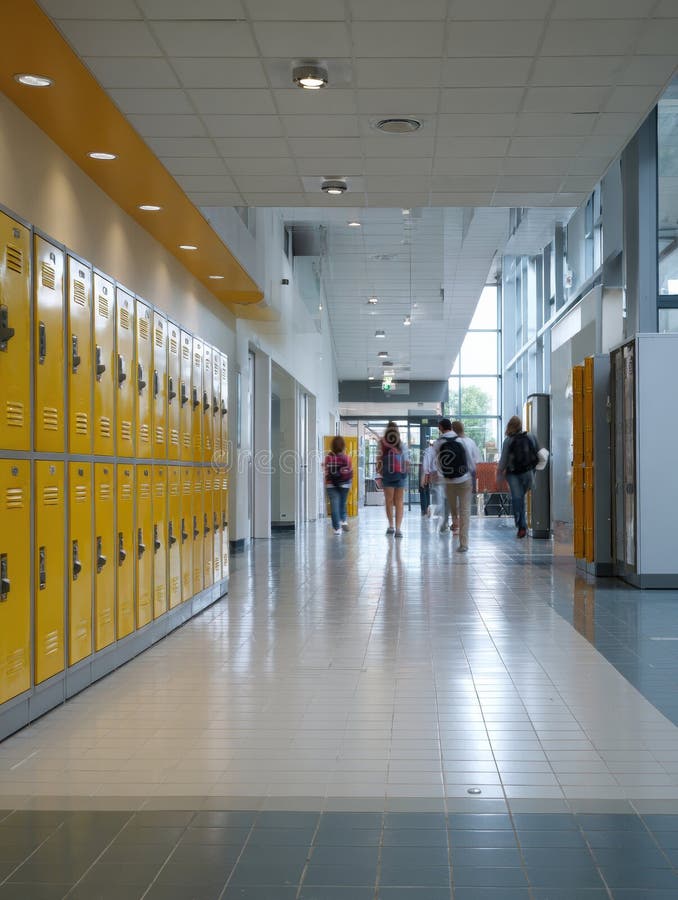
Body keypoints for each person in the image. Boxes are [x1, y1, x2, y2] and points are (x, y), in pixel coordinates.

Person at [435, 418, 476, 552]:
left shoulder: (438, 443)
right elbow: (470, 462)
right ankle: (464, 544)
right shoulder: (461, 440)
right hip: (464, 479)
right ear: (451, 428)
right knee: (465, 511)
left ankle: (454, 521)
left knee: (454, 509)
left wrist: (442, 478)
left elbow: (438, 464)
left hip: (449, 482)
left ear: (441, 428)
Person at [497, 415, 540, 539]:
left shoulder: (508, 440)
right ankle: (522, 524)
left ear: (509, 426)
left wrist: (499, 474)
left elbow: (503, 460)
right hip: (528, 473)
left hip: (513, 474)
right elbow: (538, 454)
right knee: (521, 497)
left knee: (517, 498)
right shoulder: (530, 436)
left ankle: (521, 526)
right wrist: (534, 470)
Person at [376, 421, 409, 538]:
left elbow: (378, 459)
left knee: (389, 501)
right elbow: (407, 462)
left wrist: (380, 472)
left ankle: (391, 526)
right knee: (399, 502)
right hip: (400, 475)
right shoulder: (401, 444)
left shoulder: (382, 443)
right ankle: (398, 529)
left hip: (387, 476)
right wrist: (405, 474)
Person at [324, 436, 353, 535]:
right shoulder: (347, 458)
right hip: (344, 484)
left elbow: (326, 471)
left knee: (334, 505)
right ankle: (343, 520)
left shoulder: (328, 457)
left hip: (331, 484)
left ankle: (337, 529)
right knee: (342, 503)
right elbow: (350, 472)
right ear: (343, 446)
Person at [419, 440, 435, 517]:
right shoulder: (439, 450)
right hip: (437, 473)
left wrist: (424, 476)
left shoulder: (428, 450)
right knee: (427, 489)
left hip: (428, 473)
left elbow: (426, 464)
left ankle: (425, 509)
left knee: (423, 488)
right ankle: (428, 508)